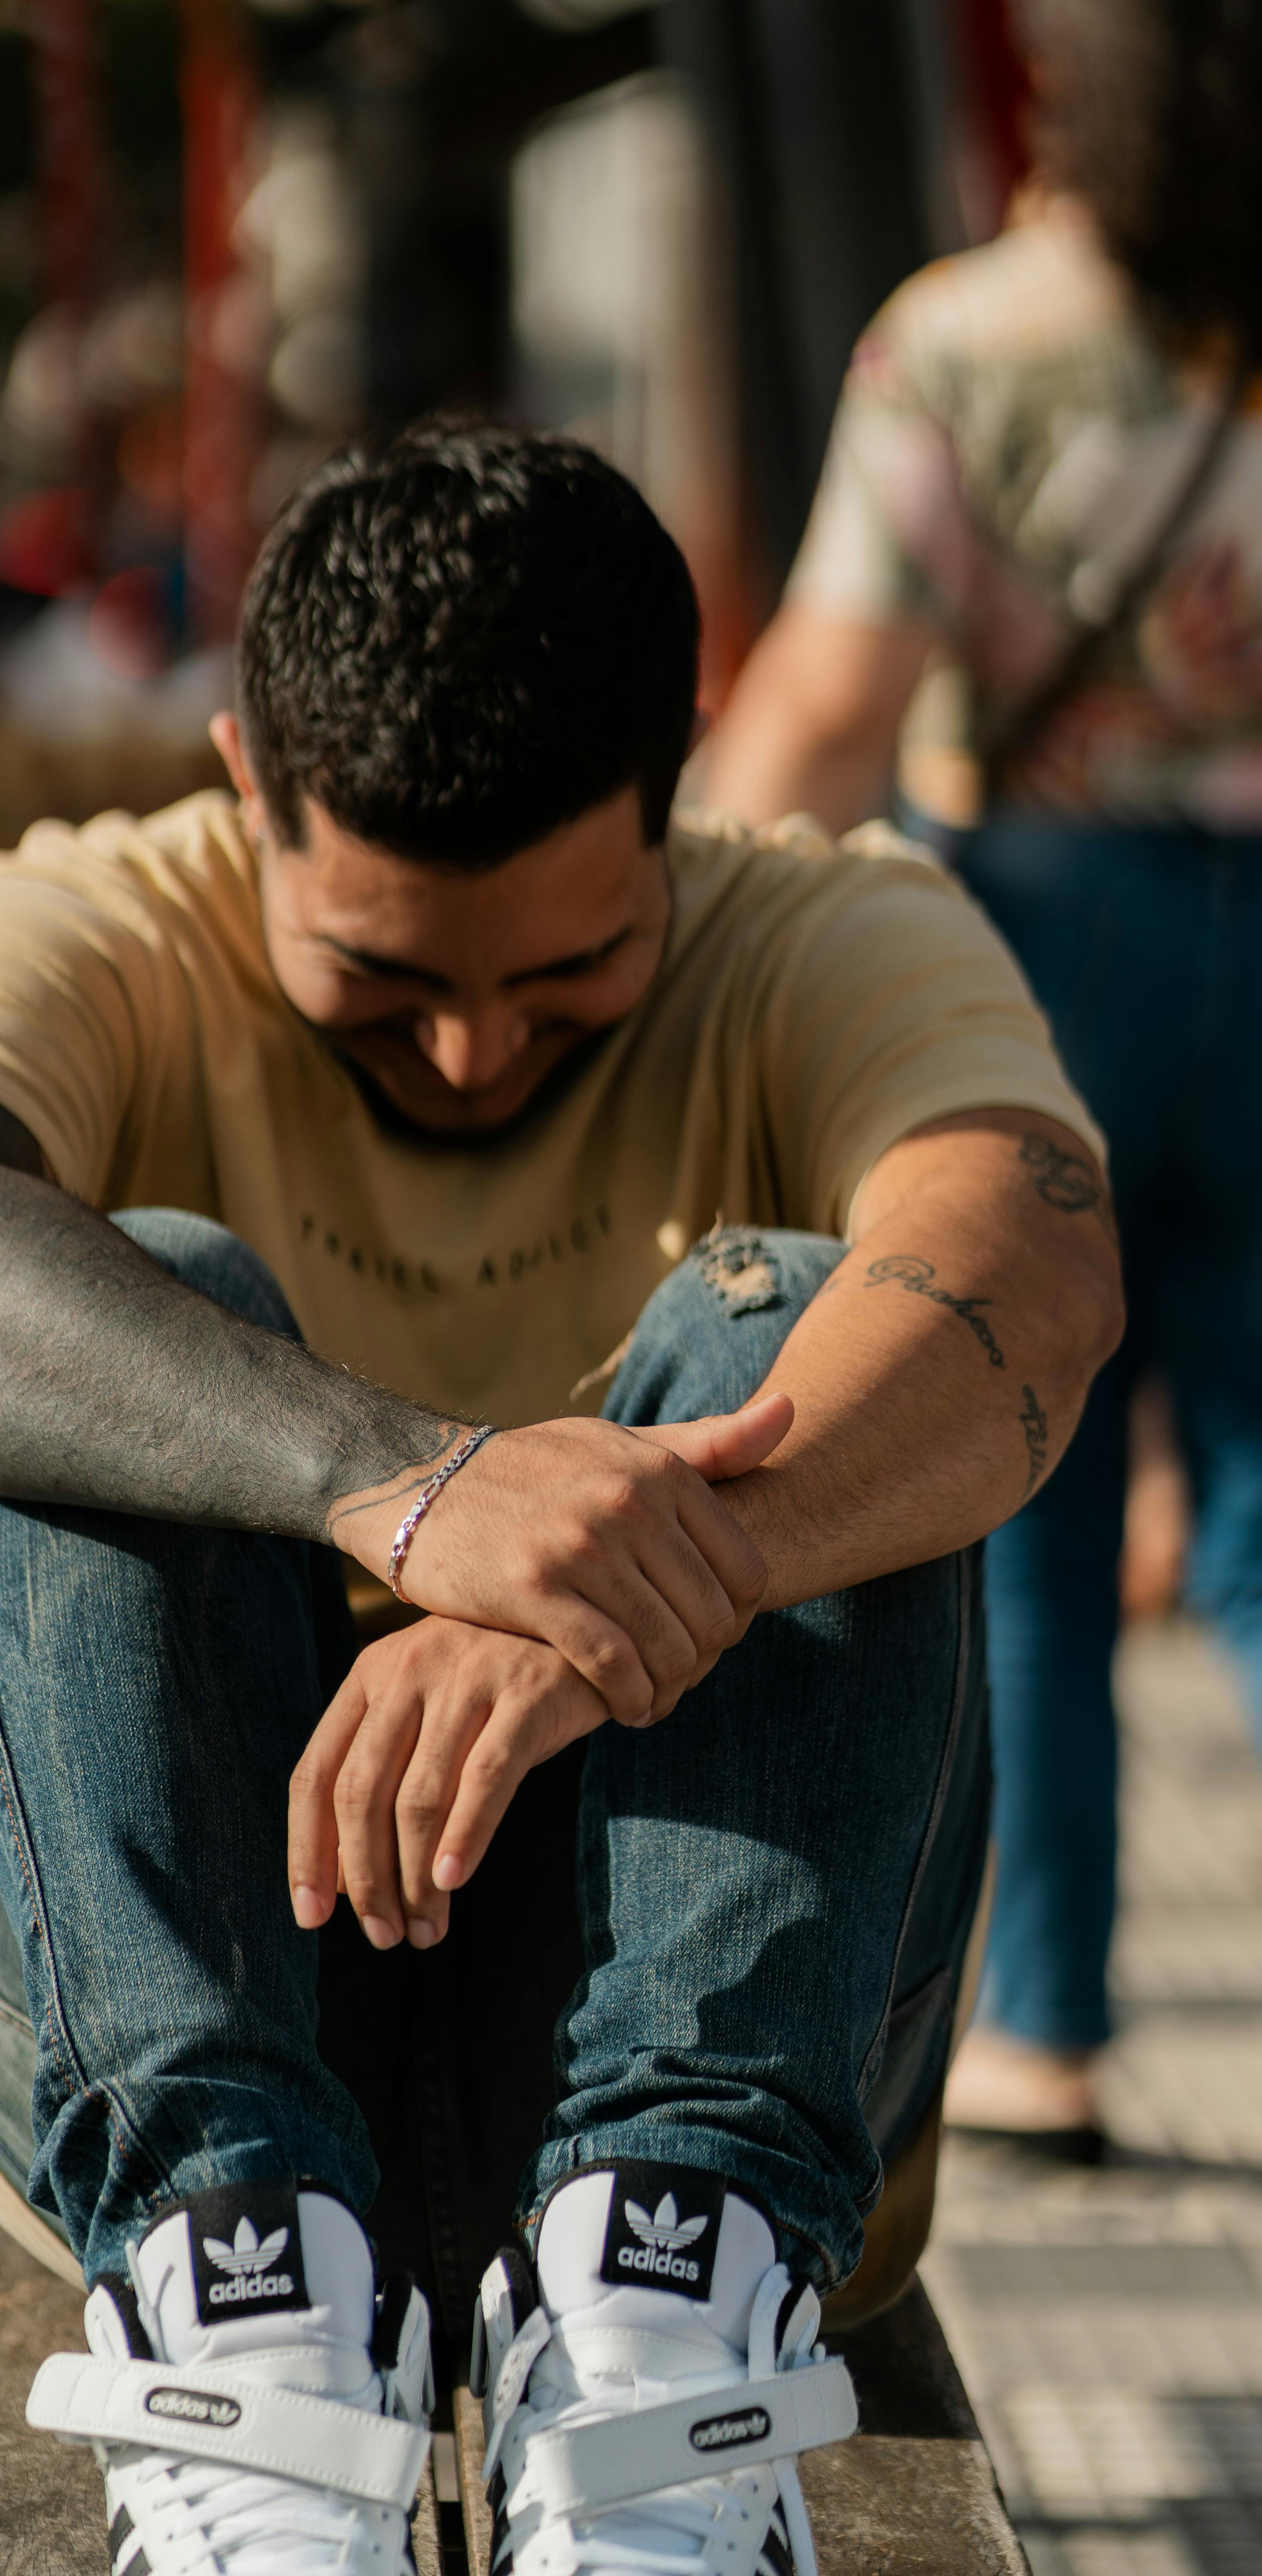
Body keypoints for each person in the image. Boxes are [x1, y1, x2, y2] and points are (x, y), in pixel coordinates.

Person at [0, 422, 1120, 2576]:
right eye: (387, 984)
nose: (476, 1057)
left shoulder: (838, 926)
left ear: (675, 792)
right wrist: (404, 1491)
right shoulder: (86, 918)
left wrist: (624, 1575)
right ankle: (242, 2301)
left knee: (800, 1318)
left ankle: (661, 2352)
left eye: (561, 978)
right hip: (160, 2014)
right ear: (245, 784)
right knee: (121, 1300)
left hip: (683, 2059)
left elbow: (1032, 1272)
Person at [699, 0, 1262, 2160]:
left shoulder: (970, 338)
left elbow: (835, 701)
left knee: (1018, 1469)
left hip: (1033, 937)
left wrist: (692, 904)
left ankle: (1040, 2034)